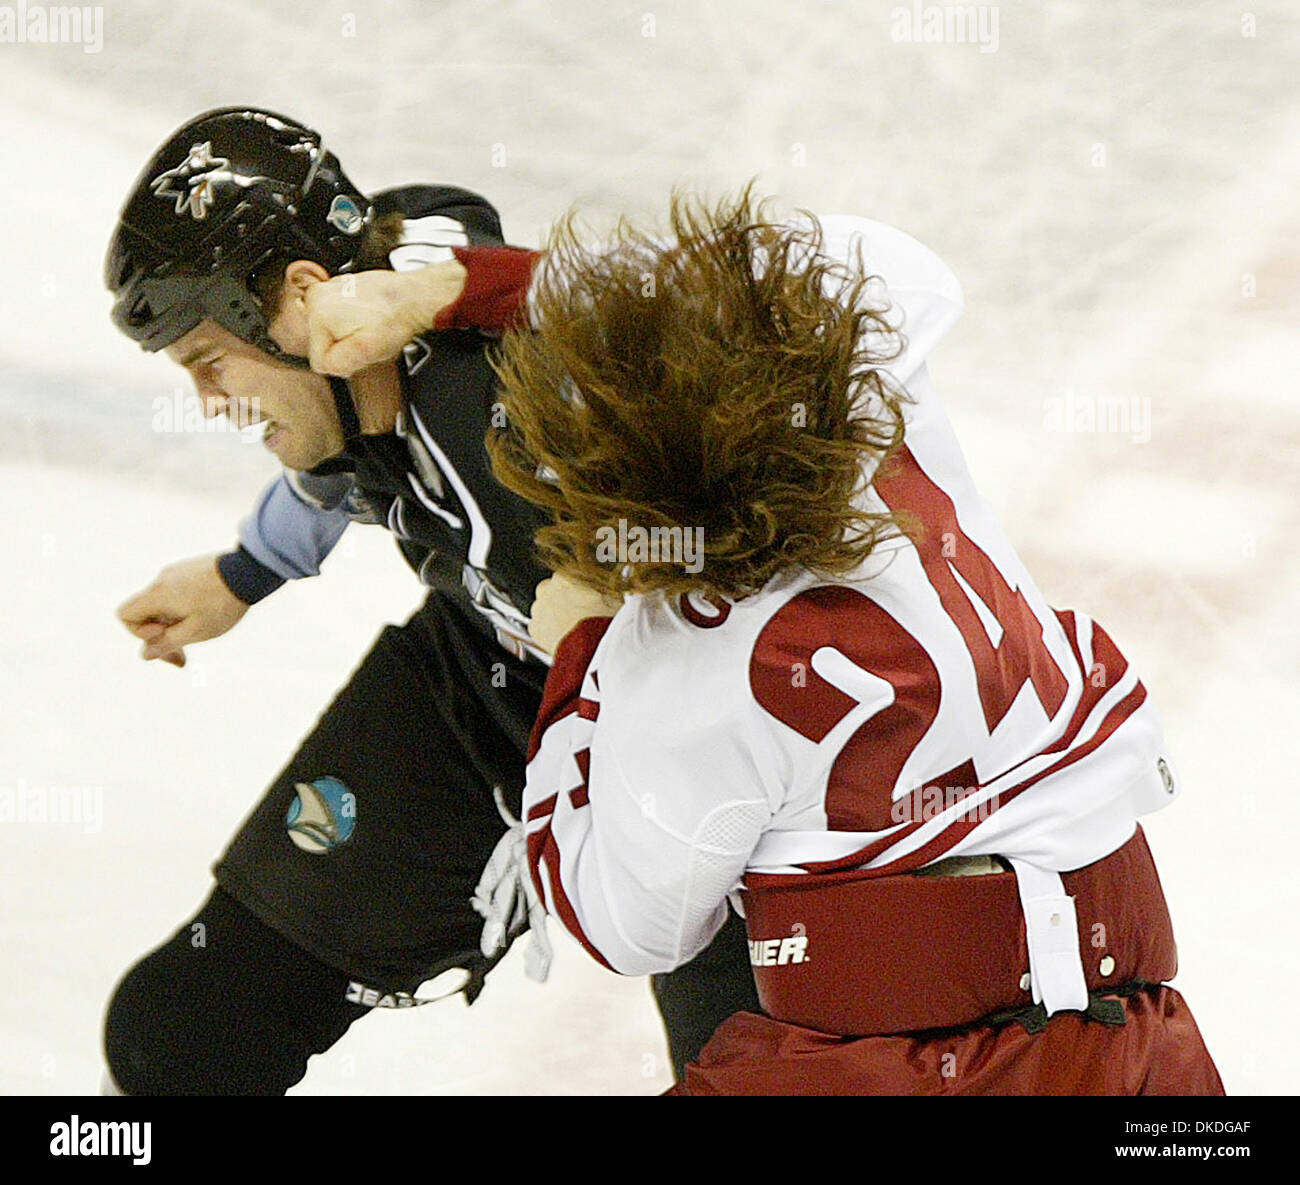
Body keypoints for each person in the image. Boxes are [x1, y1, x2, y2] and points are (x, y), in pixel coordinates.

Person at [485, 190, 1225, 1094]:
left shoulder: (684, 653)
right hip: (1145, 1049)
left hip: (913, 1069)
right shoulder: (885, 388)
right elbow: (798, 262)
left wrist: (580, 658)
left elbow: (629, 926)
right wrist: (462, 285)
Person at [100, 107, 757, 1095]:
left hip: (724, 769)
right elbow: (340, 455)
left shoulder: (505, 430)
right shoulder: (373, 288)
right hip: (490, 683)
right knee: (184, 1035)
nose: (208, 405)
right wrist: (244, 573)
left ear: (299, 300)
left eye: (206, 365)